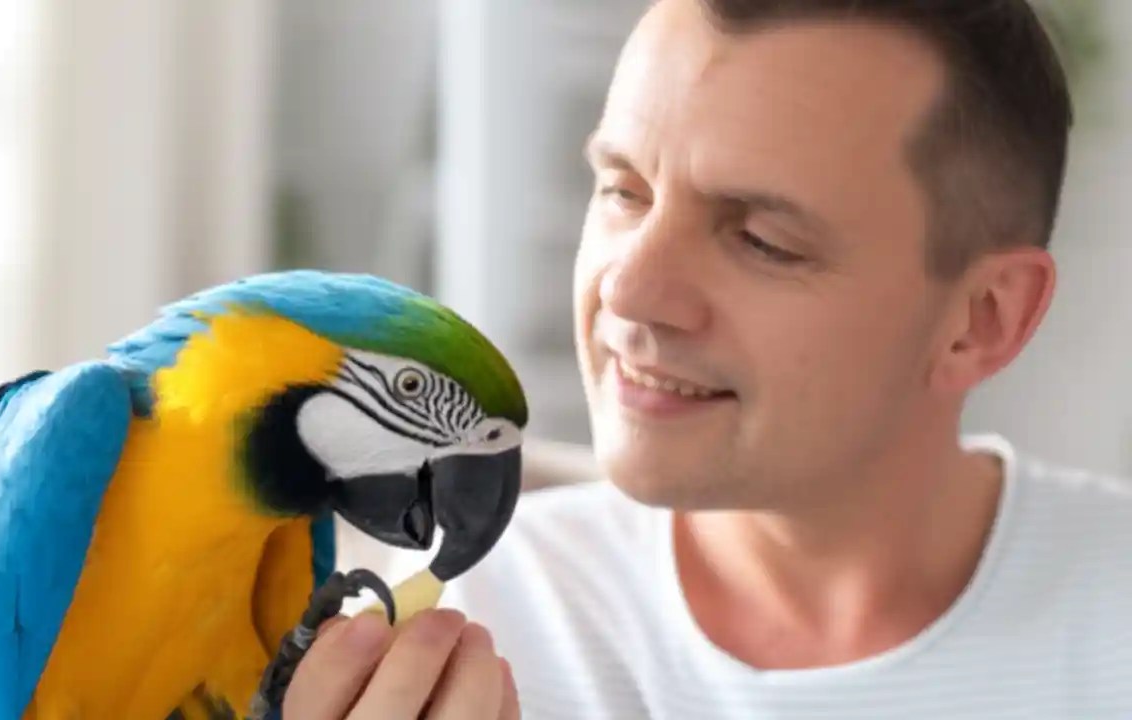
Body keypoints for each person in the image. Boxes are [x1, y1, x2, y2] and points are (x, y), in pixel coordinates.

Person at [281, 0, 1132, 717]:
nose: (630, 292)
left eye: (763, 241)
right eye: (622, 191)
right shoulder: (479, 620)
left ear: (980, 320)